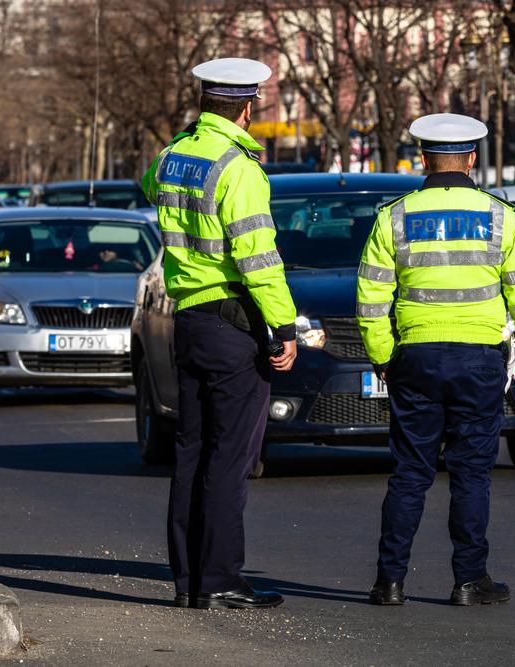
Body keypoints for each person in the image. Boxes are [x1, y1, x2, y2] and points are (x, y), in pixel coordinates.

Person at [356, 113, 515, 606]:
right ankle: (469, 580)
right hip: (479, 359)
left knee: (409, 472)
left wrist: (383, 356)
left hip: (415, 357)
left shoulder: (394, 216)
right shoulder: (500, 216)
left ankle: (389, 582)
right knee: (471, 473)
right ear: (471, 159)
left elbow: (371, 298)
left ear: (423, 159)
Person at [141, 57, 297, 610]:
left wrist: (192, 134)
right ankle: (222, 578)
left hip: (188, 320)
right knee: (230, 457)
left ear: (206, 104)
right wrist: (283, 325)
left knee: (191, 451)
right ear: (248, 108)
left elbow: (149, 186)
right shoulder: (239, 168)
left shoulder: (173, 154)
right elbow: (259, 258)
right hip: (233, 322)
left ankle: (189, 581)